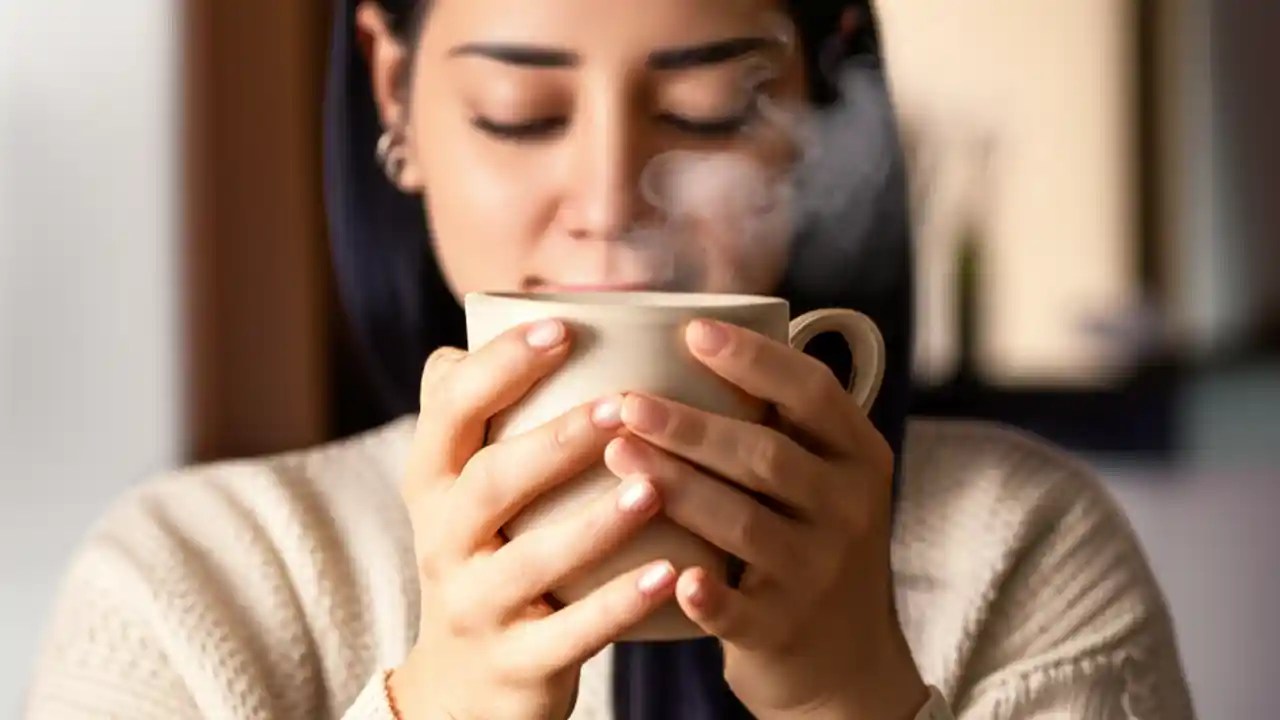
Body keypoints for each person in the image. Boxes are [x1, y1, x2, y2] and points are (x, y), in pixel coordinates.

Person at [26, 0, 1194, 718]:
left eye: (704, 108)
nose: (608, 204)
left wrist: (851, 700)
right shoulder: (188, 589)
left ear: (823, 88)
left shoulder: (1019, 548)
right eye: (520, 111)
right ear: (395, 88)